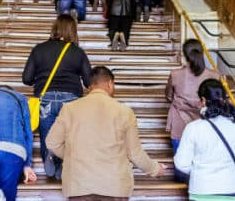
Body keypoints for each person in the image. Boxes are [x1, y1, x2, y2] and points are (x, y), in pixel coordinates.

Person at [46, 66, 166, 200]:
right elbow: (134, 153)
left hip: (79, 185)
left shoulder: (69, 109)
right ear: (110, 84)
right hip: (114, 187)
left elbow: (52, 142)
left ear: (89, 86)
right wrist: (155, 168)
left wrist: (73, 155)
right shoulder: (124, 112)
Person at [22, 15, 92, 180]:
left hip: (45, 98)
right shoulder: (78, 52)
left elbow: (26, 78)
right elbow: (89, 81)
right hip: (71, 99)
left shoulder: (39, 49)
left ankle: (51, 156)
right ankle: (65, 163)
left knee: (48, 133)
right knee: (70, 133)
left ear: (54, 28)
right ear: (73, 31)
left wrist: (40, 77)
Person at [174, 79, 235, 200]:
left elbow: (181, 163)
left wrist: (199, 171)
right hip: (231, 188)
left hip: (201, 190)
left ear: (203, 101)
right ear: (224, 98)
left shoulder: (193, 128)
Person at [165, 39, 220, 181]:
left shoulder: (175, 74)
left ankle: (182, 188)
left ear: (184, 55)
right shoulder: (215, 75)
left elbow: (168, 96)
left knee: (181, 161)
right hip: (206, 123)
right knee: (204, 159)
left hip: (179, 123)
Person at [0, 85, 37, 201]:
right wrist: (27, 165)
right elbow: (28, 133)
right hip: (12, 150)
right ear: (11, 90)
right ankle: (2, 197)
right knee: (6, 191)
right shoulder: (20, 98)